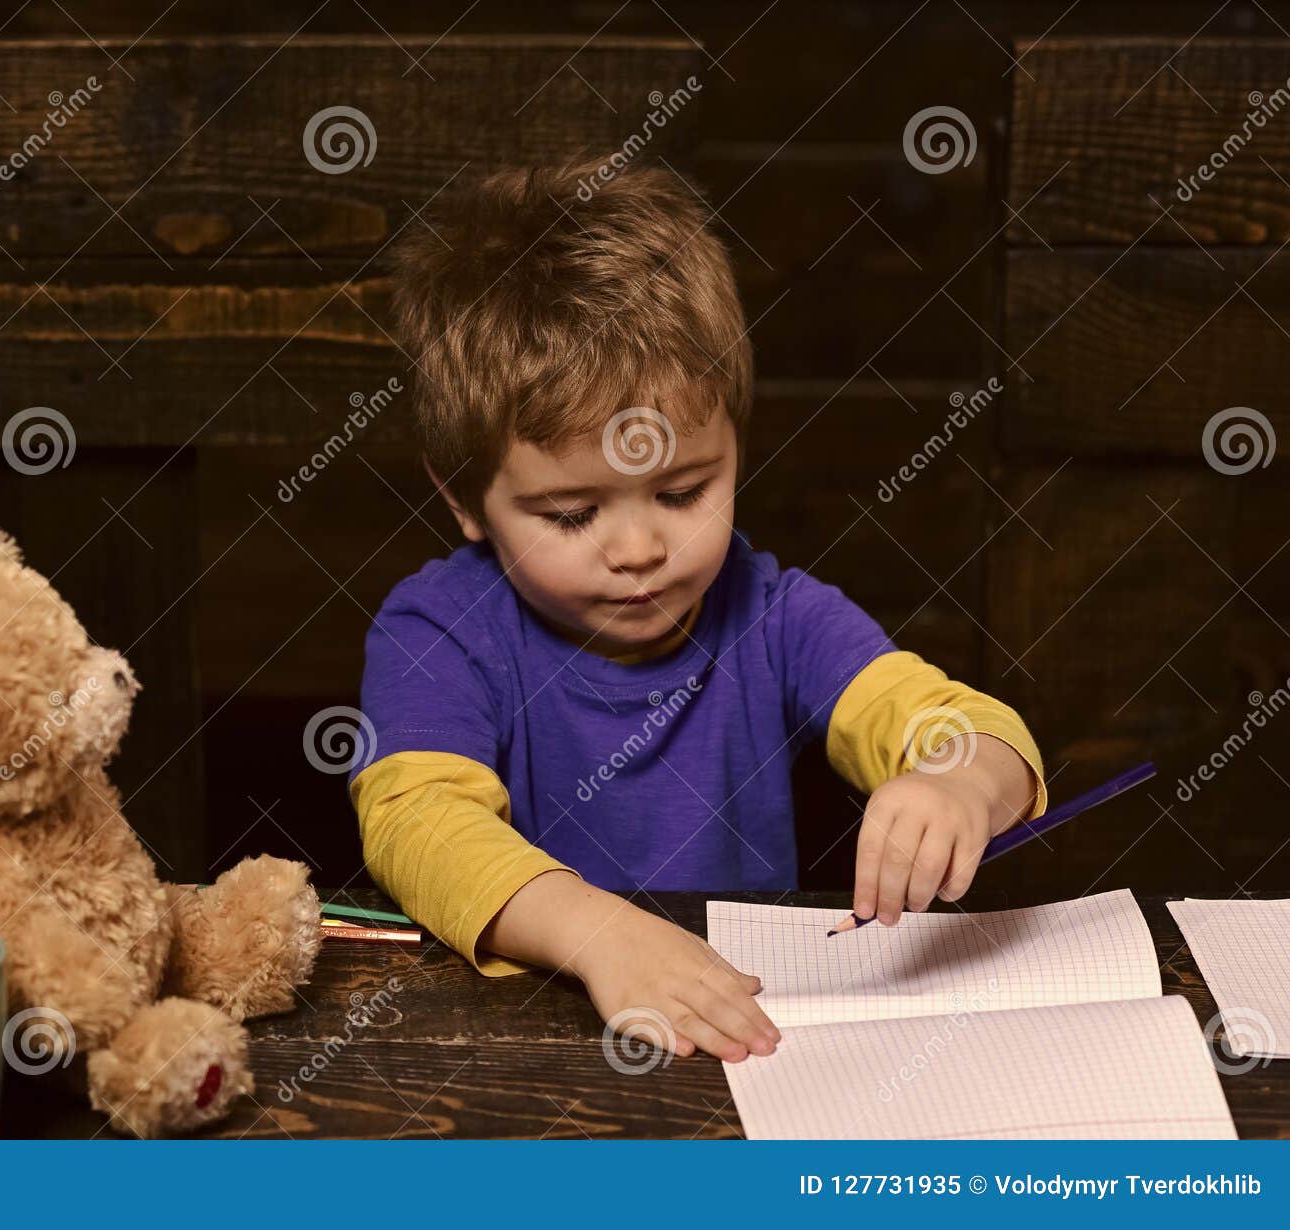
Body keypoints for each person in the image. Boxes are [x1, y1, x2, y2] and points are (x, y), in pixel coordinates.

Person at [347, 153, 1045, 1063]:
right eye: (571, 513)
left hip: (746, 1043)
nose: (637, 550)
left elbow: (965, 729)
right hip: (526, 1054)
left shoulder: (773, 613)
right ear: (467, 501)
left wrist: (959, 782)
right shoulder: (438, 630)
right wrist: (601, 938)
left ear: (736, 452)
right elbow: (418, 823)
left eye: (681, 494)